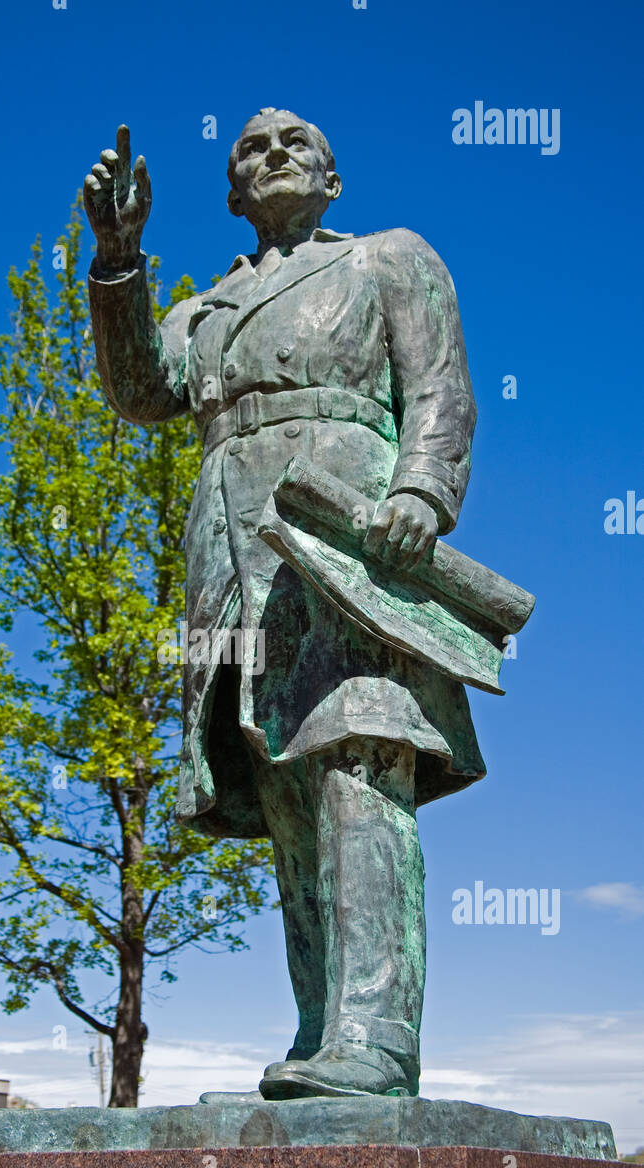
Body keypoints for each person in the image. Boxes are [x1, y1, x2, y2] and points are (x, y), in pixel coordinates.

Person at [84, 109, 483, 1099]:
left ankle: (376, 1039)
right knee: (282, 785)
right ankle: (320, 1035)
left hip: (341, 534)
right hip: (228, 548)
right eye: (248, 150)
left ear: (331, 178)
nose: (269, 154)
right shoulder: (206, 307)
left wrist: (419, 494)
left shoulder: (389, 260)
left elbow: (439, 392)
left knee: (356, 753)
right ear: (229, 194)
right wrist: (117, 260)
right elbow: (140, 391)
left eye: (292, 142)